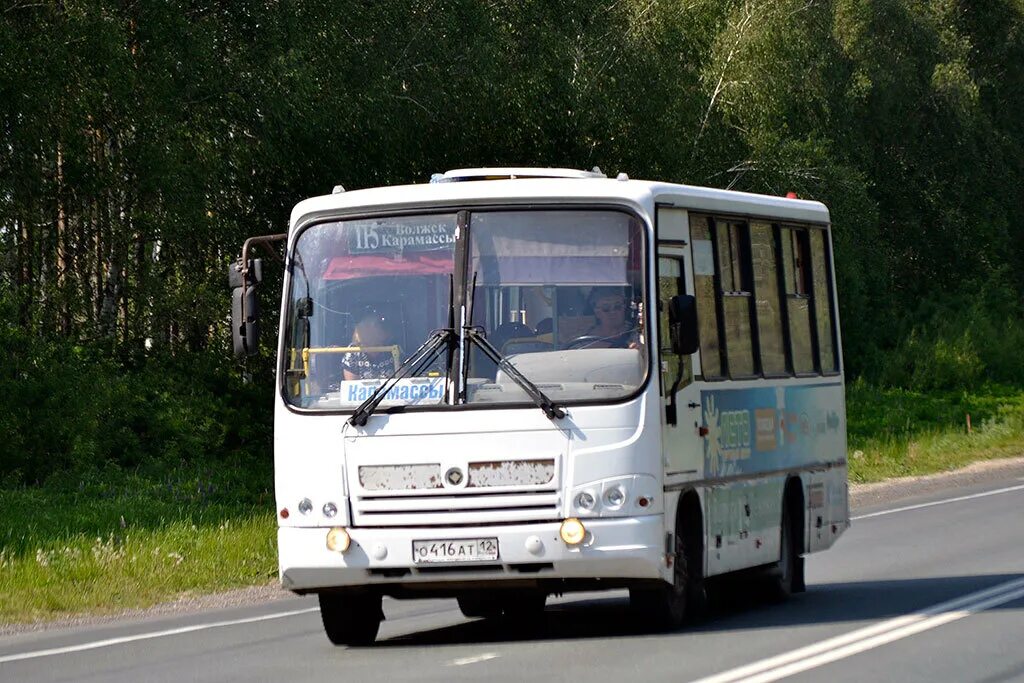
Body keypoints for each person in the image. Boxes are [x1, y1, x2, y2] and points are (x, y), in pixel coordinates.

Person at [341, 313, 398, 380]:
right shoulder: (353, 352)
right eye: (363, 344)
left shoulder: (393, 348)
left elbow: (404, 380)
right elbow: (352, 385)